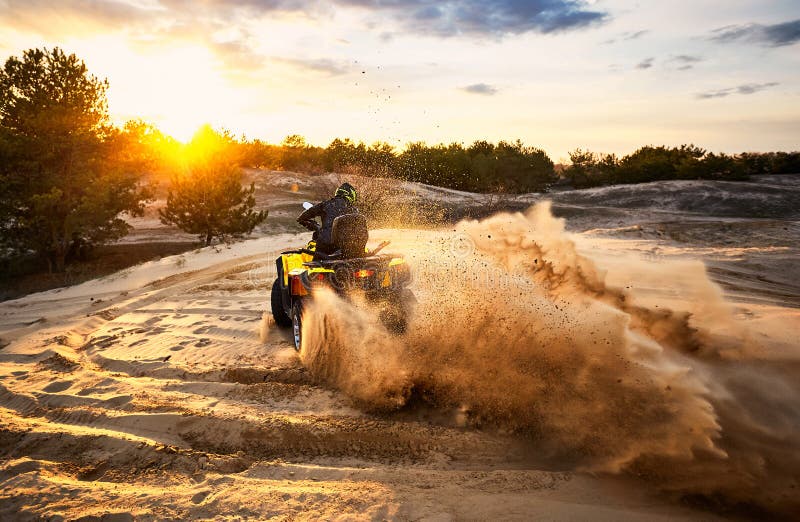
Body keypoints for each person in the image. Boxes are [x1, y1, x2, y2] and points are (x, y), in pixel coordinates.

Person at [297, 182, 358, 255]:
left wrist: (315, 226)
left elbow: (301, 218)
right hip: (346, 249)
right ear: (351, 195)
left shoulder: (326, 204)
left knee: (314, 259)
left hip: (325, 246)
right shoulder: (354, 211)